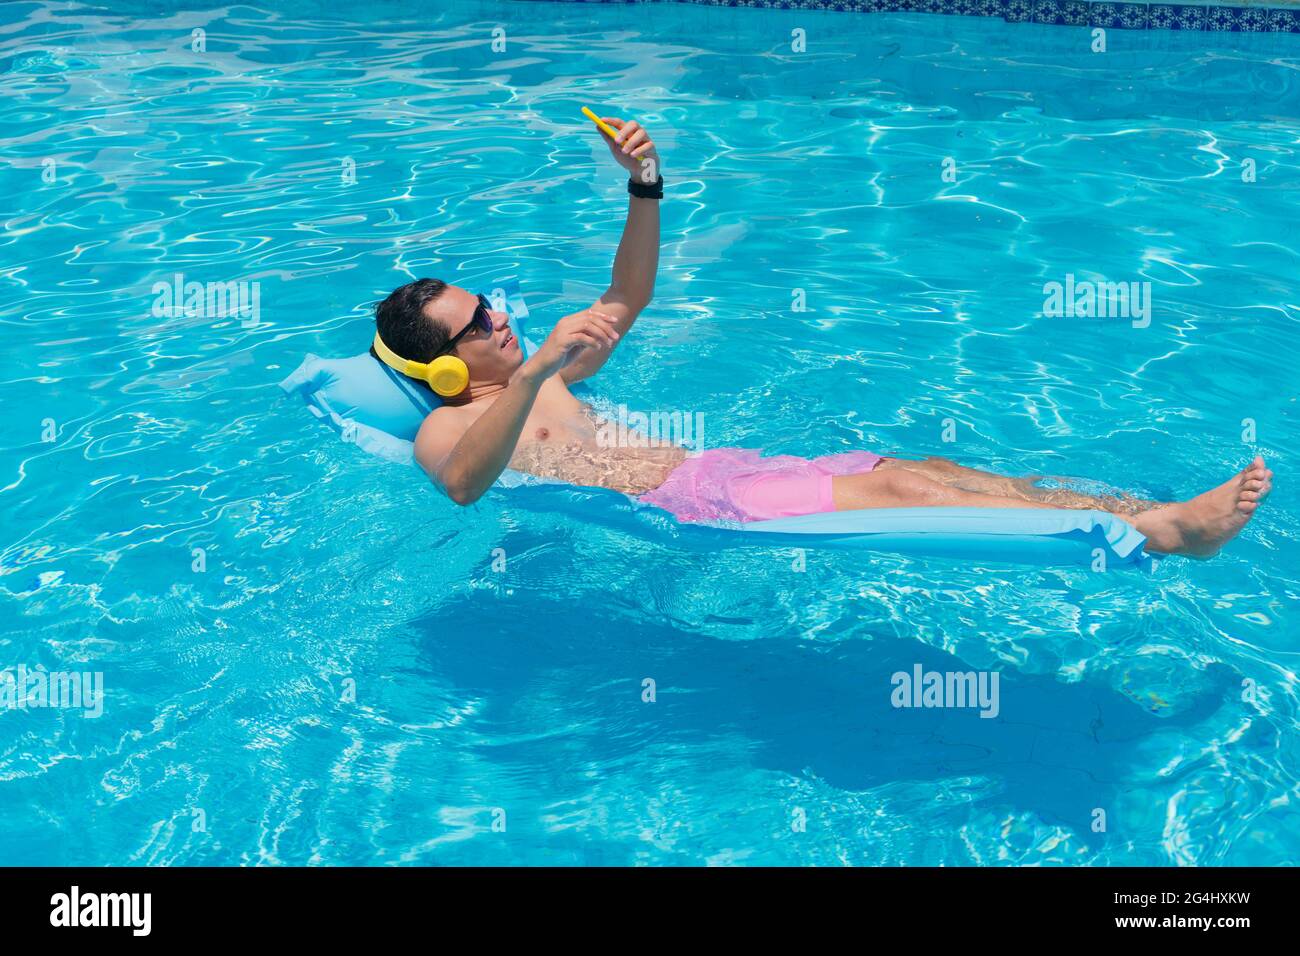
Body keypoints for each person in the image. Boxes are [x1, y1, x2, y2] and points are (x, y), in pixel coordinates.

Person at [371, 117, 1271, 558]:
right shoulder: (451, 425)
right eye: (480, 321)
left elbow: (628, 292)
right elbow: (462, 487)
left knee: (930, 472)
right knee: (914, 504)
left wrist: (645, 183)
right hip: (700, 509)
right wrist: (531, 375)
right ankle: (1162, 538)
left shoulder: (547, 373)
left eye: (489, 300)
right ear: (449, 364)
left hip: (730, 471)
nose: (501, 313)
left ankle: (1139, 513)